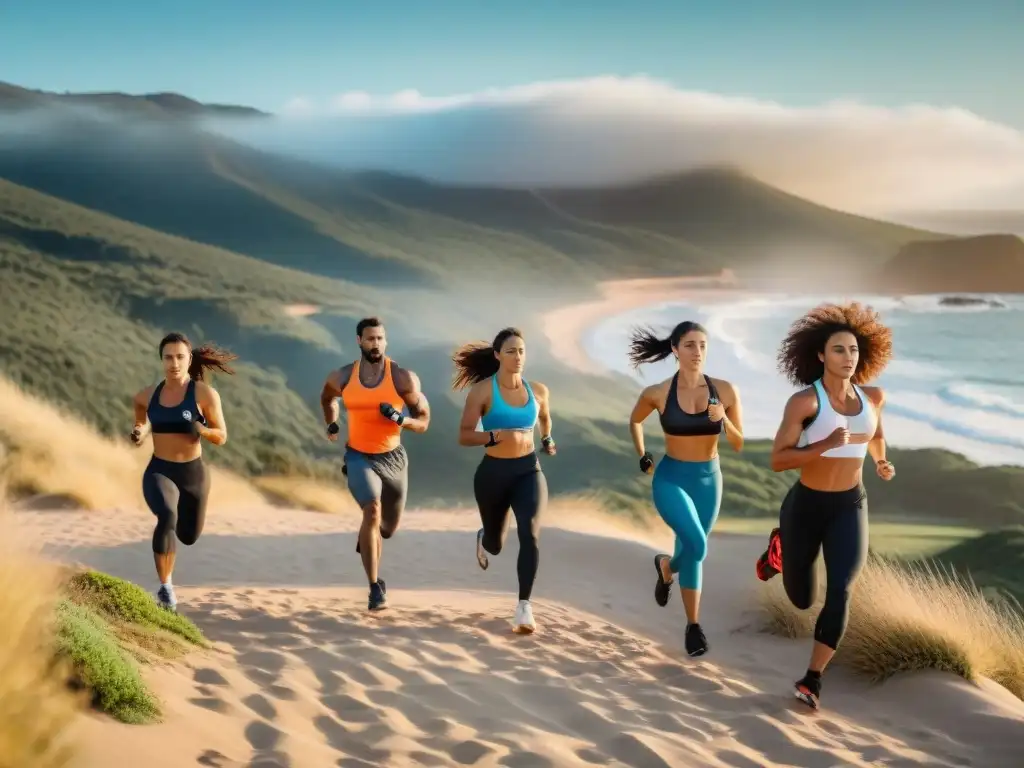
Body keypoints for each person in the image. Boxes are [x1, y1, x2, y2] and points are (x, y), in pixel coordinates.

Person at [755, 301, 895, 711]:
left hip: (850, 505)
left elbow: (875, 434)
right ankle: (779, 550)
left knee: (842, 590)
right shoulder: (805, 403)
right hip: (806, 507)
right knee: (800, 598)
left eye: (853, 350)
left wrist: (880, 460)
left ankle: (812, 678)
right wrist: (822, 446)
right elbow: (778, 459)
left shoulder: (874, 396)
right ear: (820, 355)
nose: (848, 357)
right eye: (838, 350)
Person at [626, 321, 744, 657]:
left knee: (693, 550)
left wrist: (725, 419)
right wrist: (643, 455)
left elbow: (738, 443)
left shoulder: (726, 390)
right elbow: (635, 420)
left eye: (703, 345)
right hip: (671, 478)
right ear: (675, 349)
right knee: (697, 545)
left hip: (710, 479)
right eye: (690, 345)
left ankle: (690, 621)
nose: (698, 352)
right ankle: (671, 573)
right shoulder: (658, 392)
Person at [319, 317, 430, 612]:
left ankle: (369, 539)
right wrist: (332, 423)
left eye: (380, 338)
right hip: (358, 455)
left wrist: (400, 419)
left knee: (387, 528)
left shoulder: (403, 378)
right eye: (370, 339)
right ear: (359, 341)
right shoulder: (343, 376)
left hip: (393, 458)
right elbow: (328, 398)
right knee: (372, 509)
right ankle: (374, 587)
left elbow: (423, 420)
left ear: (386, 341)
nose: (375, 344)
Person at [453, 327, 556, 635]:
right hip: (493, 474)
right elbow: (464, 435)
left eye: (522, 351)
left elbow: (545, 418)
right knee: (496, 545)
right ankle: (484, 537)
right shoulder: (483, 392)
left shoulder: (537, 390)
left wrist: (548, 439)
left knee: (530, 533)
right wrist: (494, 435)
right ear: (497, 355)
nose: (518, 357)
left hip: (528, 471)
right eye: (511, 351)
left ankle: (524, 607)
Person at [128, 332, 236, 612]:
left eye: (179, 357)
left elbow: (222, 435)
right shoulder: (150, 393)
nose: (173, 363)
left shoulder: (203, 394)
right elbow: (140, 407)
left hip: (193, 475)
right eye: (168, 357)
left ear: (189, 360)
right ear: (161, 360)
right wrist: (140, 428)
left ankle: (174, 541)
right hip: (159, 470)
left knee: (188, 535)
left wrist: (202, 429)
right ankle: (166, 588)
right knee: (166, 514)